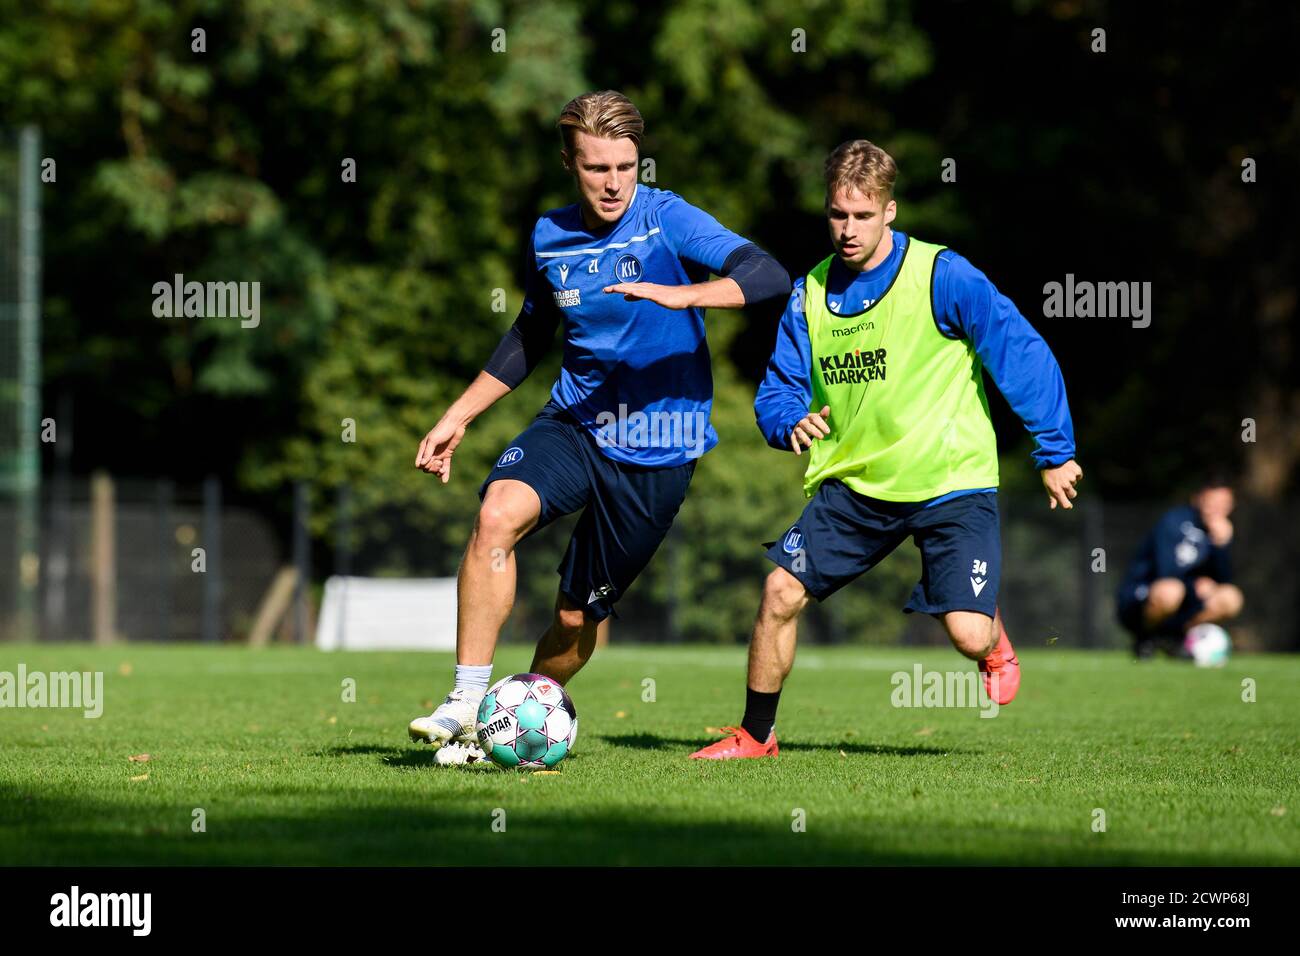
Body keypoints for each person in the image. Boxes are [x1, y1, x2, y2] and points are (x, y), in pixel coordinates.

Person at [408, 90, 790, 763]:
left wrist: (683, 294)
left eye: (625, 166)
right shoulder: (549, 236)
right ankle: (466, 701)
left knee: (573, 617)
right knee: (496, 514)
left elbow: (767, 274)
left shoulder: (667, 218)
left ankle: (503, 733)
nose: (613, 182)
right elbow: (530, 333)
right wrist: (456, 417)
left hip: (658, 452)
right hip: (576, 422)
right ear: (569, 164)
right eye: (596, 168)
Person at [691, 139, 1082, 760]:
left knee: (966, 633)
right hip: (857, 488)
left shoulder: (942, 274)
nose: (847, 230)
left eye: (862, 215)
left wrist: (1054, 451)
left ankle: (993, 639)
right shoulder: (808, 293)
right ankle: (756, 735)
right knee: (778, 594)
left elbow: (1020, 351)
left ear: (889, 211)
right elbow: (779, 390)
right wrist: (788, 421)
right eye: (837, 215)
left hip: (950, 480)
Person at [1116, 474, 1243, 658]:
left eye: (1223, 504)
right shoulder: (1174, 522)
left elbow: (1225, 579)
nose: (1216, 510)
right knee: (1170, 591)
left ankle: (1178, 639)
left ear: (1231, 507)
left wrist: (1221, 545)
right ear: (1198, 499)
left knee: (1231, 598)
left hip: (1188, 599)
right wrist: (1195, 584)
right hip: (1143, 597)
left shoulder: (1222, 531)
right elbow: (1166, 571)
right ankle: (1145, 638)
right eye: (1211, 502)